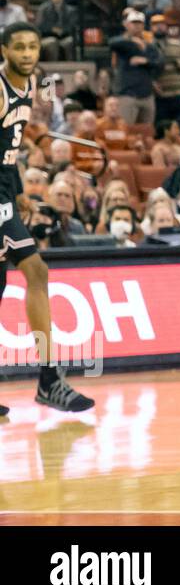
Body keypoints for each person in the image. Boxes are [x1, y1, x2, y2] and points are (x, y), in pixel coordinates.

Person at [0, 23, 94, 416]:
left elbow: (11, 145)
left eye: (33, 46)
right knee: (36, 272)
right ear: (4, 50)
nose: (26, 52)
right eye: (18, 46)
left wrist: (17, 189)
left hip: (4, 188)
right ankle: (49, 380)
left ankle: (48, 379)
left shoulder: (29, 84)